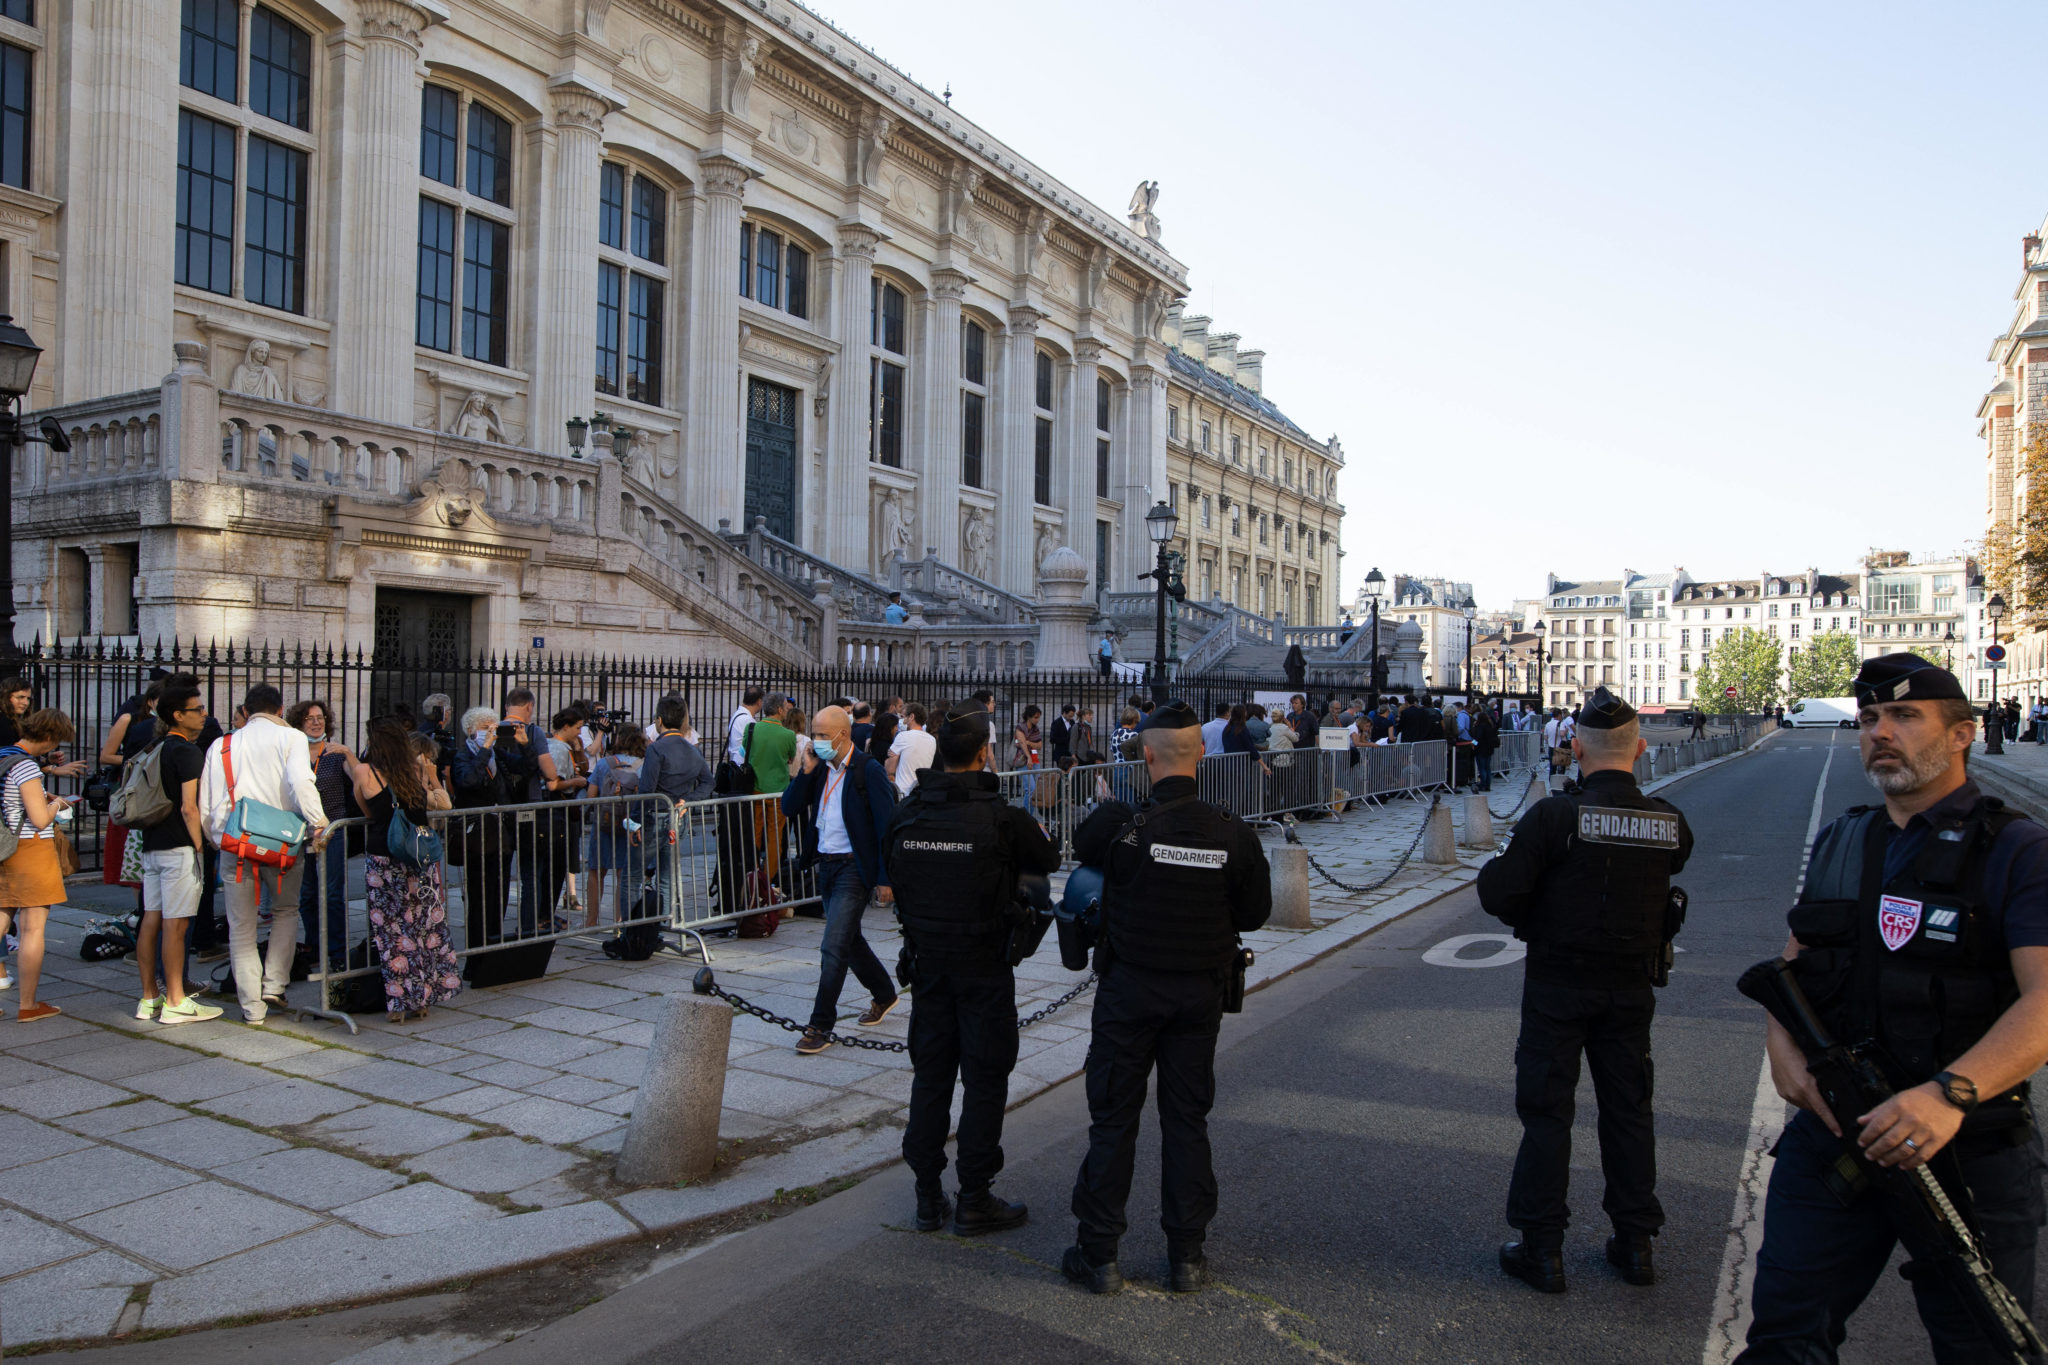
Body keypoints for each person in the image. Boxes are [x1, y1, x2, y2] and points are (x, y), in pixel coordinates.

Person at [1735, 655, 2048, 1362]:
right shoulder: (1844, 838)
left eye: (1906, 715)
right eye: (1871, 718)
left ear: (1963, 733)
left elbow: (2045, 1002)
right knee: (1785, 1337)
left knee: (1984, 1345)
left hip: (1968, 1142)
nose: (1881, 731)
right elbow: (1796, 960)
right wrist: (1782, 1052)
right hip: (1837, 1129)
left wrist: (1947, 1095)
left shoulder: (2017, 849)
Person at [1477, 686, 1692, 1294]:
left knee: (1548, 1114)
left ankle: (1543, 1249)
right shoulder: (1669, 823)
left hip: (1557, 984)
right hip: (1630, 987)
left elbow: (1499, 894)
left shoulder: (1555, 817)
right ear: (1641, 749)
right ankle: (1635, 1243)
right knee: (1628, 1111)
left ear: (1575, 748)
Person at [1061, 701, 1272, 1295]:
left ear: (1145, 754)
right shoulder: (1231, 831)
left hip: (1130, 989)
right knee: (1187, 1120)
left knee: (1113, 1120)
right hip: (1197, 995)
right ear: (1201, 753)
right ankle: (1186, 1255)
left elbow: (1082, 845)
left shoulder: (1122, 827)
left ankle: (1099, 1255)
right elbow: (1254, 914)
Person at [888, 700, 1061, 1236]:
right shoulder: (1002, 819)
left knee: (931, 1079)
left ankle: (925, 1195)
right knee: (985, 1081)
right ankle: (975, 1196)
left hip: (929, 966)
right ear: (986, 753)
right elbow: (1048, 862)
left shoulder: (909, 814)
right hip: (984, 967)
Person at [199, 684, 329, 1024]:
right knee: (286, 911)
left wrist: (217, 838)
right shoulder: (291, 739)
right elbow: (302, 782)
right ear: (281, 709)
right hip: (283, 841)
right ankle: (274, 983)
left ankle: (251, 1006)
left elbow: (208, 801)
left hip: (236, 841)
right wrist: (319, 822)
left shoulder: (222, 744)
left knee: (240, 926)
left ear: (245, 711)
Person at [782, 705, 899, 1054]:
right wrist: (805, 771)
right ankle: (884, 993)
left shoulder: (868, 771)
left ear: (842, 735)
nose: (815, 740)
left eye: (820, 735)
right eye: (814, 734)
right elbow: (789, 807)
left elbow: (886, 827)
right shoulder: (819, 769)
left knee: (833, 947)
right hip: (826, 865)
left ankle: (820, 1024)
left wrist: (884, 878)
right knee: (849, 940)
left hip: (853, 868)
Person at [353, 717, 463, 1024]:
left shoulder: (365, 771)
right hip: (416, 860)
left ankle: (399, 1002)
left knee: (391, 933)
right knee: (422, 928)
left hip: (383, 860)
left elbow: (364, 809)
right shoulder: (412, 772)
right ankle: (424, 996)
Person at [135, 683, 222, 1025]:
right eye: (197, 709)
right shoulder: (187, 751)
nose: (203, 714)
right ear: (178, 716)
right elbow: (189, 808)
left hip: (153, 844)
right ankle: (175, 1000)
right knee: (176, 926)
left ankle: (149, 998)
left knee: (150, 921)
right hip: (178, 848)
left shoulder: (155, 746)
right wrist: (200, 847)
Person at [0, 709, 79, 1021]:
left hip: (3, 846)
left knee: (3, 919)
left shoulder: (4, 756)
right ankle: (28, 1004)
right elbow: (39, 818)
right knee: (33, 928)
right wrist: (56, 803)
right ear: (48, 737)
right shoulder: (27, 768)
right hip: (31, 849)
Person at [286, 699, 353, 970]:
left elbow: (360, 777)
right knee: (307, 893)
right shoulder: (294, 754)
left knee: (333, 893)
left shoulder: (335, 753)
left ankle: (337, 950)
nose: (316, 722)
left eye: (320, 717)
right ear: (299, 723)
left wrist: (349, 753)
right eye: (310, 718)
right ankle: (314, 943)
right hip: (302, 832)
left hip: (331, 830)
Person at [639, 696, 714, 918]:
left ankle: (632, 927)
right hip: (678, 817)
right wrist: (689, 799)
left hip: (655, 816)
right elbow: (709, 782)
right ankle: (665, 919)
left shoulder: (657, 749)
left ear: (659, 720)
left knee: (633, 875)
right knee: (667, 874)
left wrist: (635, 821)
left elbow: (646, 789)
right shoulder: (692, 750)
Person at [450, 704, 516, 948]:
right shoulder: (464, 755)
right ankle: (478, 947)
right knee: (479, 894)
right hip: (476, 835)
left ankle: (495, 943)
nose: (490, 733)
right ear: (470, 731)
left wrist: (524, 743)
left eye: (493, 728)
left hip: (501, 832)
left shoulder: (496, 754)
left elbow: (524, 768)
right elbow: (468, 781)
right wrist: (485, 749)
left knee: (500, 891)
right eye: (484, 728)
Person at [585, 725, 648, 927]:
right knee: (623, 873)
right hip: (630, 824)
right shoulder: (643, 765)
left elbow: (590, 796)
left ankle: (591, 921)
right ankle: (620, 921)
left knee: (596, 871)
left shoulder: (604, 764)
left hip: (604, 822)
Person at [886, 703, 938, 797]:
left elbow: (890, 769)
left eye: (904, 716)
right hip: (922, 791)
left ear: (912, 717)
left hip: (903, 791)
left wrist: (890, 759)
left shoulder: (902, 736)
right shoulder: (932, 739)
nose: (902, 720)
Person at [727, 688, 765, 769]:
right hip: (742, 766)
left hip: (736, 762)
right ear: (759, 701)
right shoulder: (747, 720)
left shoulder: (737, 715)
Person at [1471, 697, 1500, 793]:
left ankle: (1483, 784)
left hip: (1481, 749)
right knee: (1488, 767)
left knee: (1482, 767)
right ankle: (1488, 784)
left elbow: (1478, 738)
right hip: (1489, 748)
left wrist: (1473, 743)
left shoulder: (1480, 726)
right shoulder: (1490, 725)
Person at [1011, 706, 1043, 771]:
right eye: (1035, 717)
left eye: (1038, 718)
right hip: (1022, 759)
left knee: (1034, 780)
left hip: (1034, 759)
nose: (1037, 720)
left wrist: (1028, 743)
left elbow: (1040, 745)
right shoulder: (1020, 727)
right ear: (1029, 717)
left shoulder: (1035, 728)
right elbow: (1022, 743)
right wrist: (1029, 757)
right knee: (1029, 781)